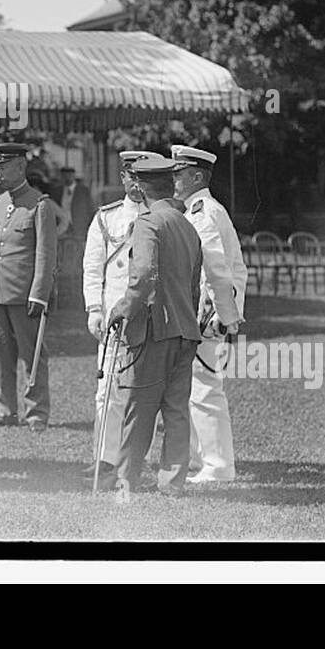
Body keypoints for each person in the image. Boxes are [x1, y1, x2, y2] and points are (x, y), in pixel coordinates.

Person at [105, 155, 202, 495]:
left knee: (138, 408)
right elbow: (194, 286)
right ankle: (172, 484)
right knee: (176, 411)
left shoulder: (149, 223)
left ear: (139, 186)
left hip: (153, 330)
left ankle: (124, 482)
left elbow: (143, 275)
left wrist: (124, 307)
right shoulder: (186, 224)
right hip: (185, 330)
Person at [165, 145, 247, 484]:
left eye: (179, 173)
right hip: (196, 312)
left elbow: (218, 268)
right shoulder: (194, 210)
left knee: (205, 390)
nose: (174, 179)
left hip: (207, 315)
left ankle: (217, 465)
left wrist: (224, 316)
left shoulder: (204, 211)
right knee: (193, 389)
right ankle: (204, 461)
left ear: (197, 176)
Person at [81, 149, 156, 479]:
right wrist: (94, 309)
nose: (135, 183)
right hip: (113, 316)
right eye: (130, 175)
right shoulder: (106, 217)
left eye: (142, 176)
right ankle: (105, 457)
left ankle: (141, 458)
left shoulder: (161, 215)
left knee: (146, 389)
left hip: (149, 314)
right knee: (106, 390)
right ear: (122, 177)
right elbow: (92, 268)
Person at [0, 143, 58, 431]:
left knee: (32, 355)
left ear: (21, 167)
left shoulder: (39, 204)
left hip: (24, 294)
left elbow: (45, 254)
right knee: (2, 356)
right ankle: (6, 409)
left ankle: (36, 412)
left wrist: (39, 292)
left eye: (3, 166)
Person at [59, 166, 95, 238]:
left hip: (79, 229)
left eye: (69, 175)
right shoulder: (57, 190)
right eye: (64, 176)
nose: (67, 178)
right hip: (61, 229)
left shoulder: (83, 191)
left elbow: (90, 209)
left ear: (73, 176)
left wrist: (88, 228)